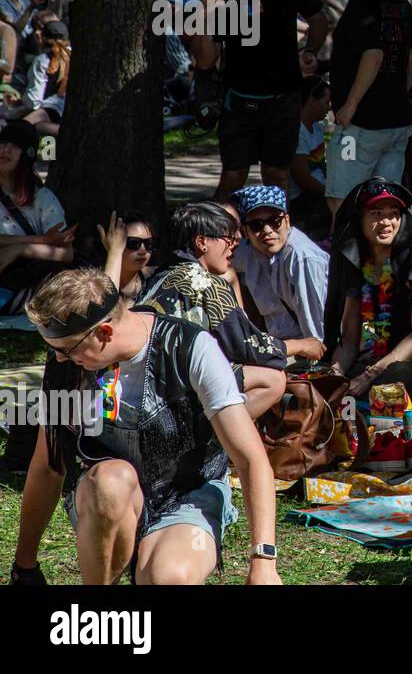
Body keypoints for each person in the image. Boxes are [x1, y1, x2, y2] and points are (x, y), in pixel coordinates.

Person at [10, 270, 281, 585]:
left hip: (187, 492)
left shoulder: (190, 347)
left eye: (66, 349)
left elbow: (250, 458)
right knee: (112, 480)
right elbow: (49, 464)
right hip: (107, 497)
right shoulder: (68, 364)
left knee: (168, 577)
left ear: (105, 333)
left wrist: (263, 561)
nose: (58, 357)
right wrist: (24, 565)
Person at [190, 0, 331, 198]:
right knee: (233, 177)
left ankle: (278, 242)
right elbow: (206, 60)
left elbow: (319, 20)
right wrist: (205, 15)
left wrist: (311, 50)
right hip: (238, 102)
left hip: (284, 99)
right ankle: (213, 239)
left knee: (277, 174)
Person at [139, 202, 288, 419]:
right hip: (176, 391)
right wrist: (299, 346)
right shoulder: (205, 283)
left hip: (152, 381)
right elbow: (247, 346)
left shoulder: (161, 275)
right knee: (274, 379)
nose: (233, 246)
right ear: (202, 242)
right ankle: (217, 441)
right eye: (227, 239)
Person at [324, 0, 412, 218]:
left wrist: (350, 105)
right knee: (385, 206)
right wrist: (396, 95)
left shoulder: (362, 2)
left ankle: (344, 263)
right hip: (396, 123)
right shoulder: (401, 1)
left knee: (341, 202)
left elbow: (374, 54)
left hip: (360, 128)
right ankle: (379, 262)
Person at [323, 178, 412, 399]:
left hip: (407, 362)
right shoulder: (356, 261)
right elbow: (350, 338)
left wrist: (368, 376)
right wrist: (335, 376)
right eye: (376, 213)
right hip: (369, 359)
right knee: (317, 379)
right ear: (360, 218)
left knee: (391, 381)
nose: (386, 222)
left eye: (393, 214)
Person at [229, 185, 328, 363]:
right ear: (245, 231)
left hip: (303, 351)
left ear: (287, 221)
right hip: (276, 344)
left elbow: (316, 333)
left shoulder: (302, 258)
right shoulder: (248, 250)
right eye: (257, 225)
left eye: (275, 221)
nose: (267, 231)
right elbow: (211, 260)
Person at [0, 120, 73, 316]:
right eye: (2, 143)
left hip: (26, 280)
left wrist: (20, 249)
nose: (5, 149)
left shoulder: (43, 198)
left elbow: (66, 253)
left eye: (14, 145)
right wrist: (40, 240)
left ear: (28, 153)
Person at [287, 75, 330, 238]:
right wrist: (329, 195)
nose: (329, 107)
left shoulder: (317, 128)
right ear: (312, 98)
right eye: (326, 101)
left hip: (318, 194)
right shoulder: (298, 132)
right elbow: (303, 179)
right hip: (304, 199)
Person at [97, 211, 155, 301]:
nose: (143, 250)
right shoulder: (92, 284)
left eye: (149, 243)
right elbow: (105, 308)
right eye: (133, 243)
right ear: (109, 243)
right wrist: (114, 252)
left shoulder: (157, 278)